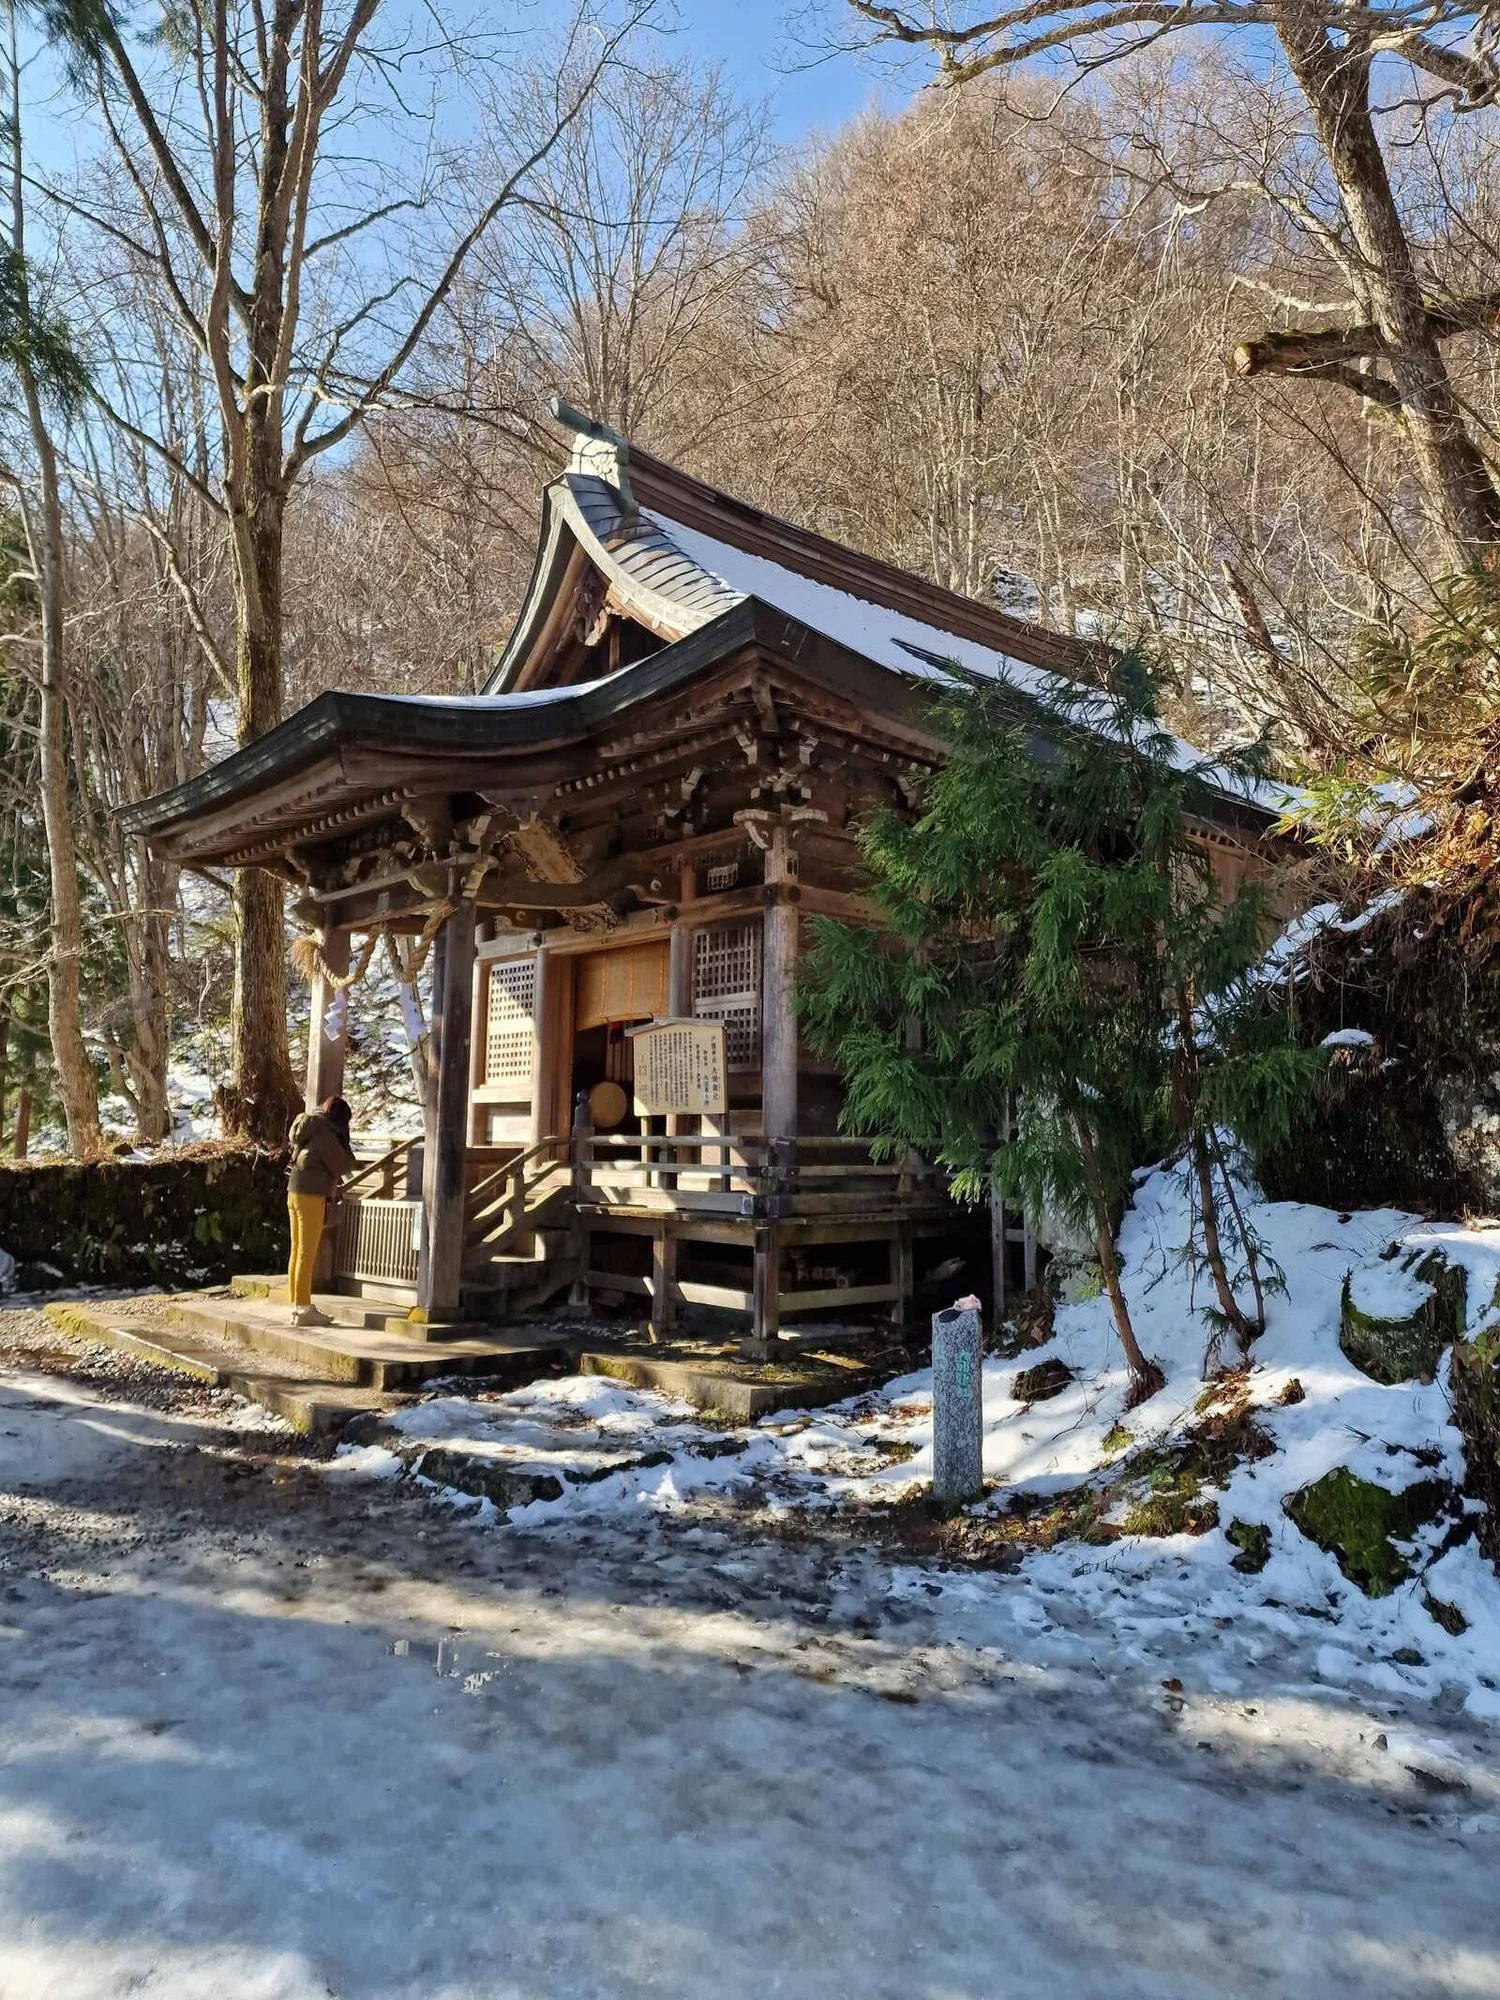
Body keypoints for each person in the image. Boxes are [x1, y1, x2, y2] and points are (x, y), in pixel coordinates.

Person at [285, 1096, 357, 1327]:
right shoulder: (326, 1135)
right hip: (310, 1195)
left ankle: (297, 1304)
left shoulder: (310, 1126)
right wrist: (345, 1144)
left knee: (296, 1250)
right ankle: (304, 1309)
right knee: (307, 1252)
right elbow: (344, 1165)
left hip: (294, 1192)